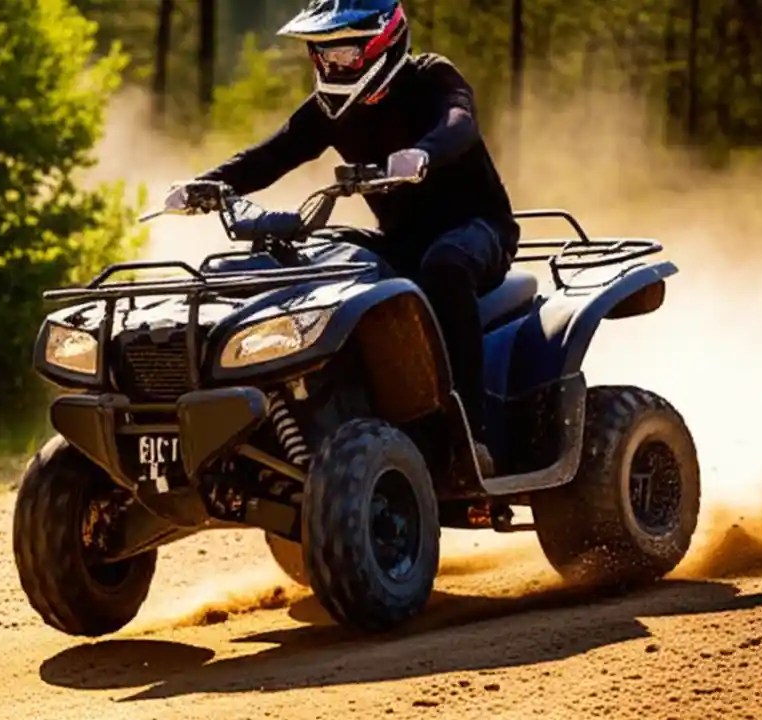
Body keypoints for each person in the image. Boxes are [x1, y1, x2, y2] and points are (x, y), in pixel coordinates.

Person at [164, 0, 519, 476]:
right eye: (322, 54)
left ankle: (469, 437)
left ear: (383, 43)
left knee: (445, 267)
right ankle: (332, 415)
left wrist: (422, 153)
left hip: (477, 230)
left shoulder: (431, 78)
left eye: (346, 55)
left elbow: (460, 122)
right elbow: (272, 155)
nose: (332, 65)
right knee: (324, 259)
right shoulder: (331, 111)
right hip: (400, 240)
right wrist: (206, 185)